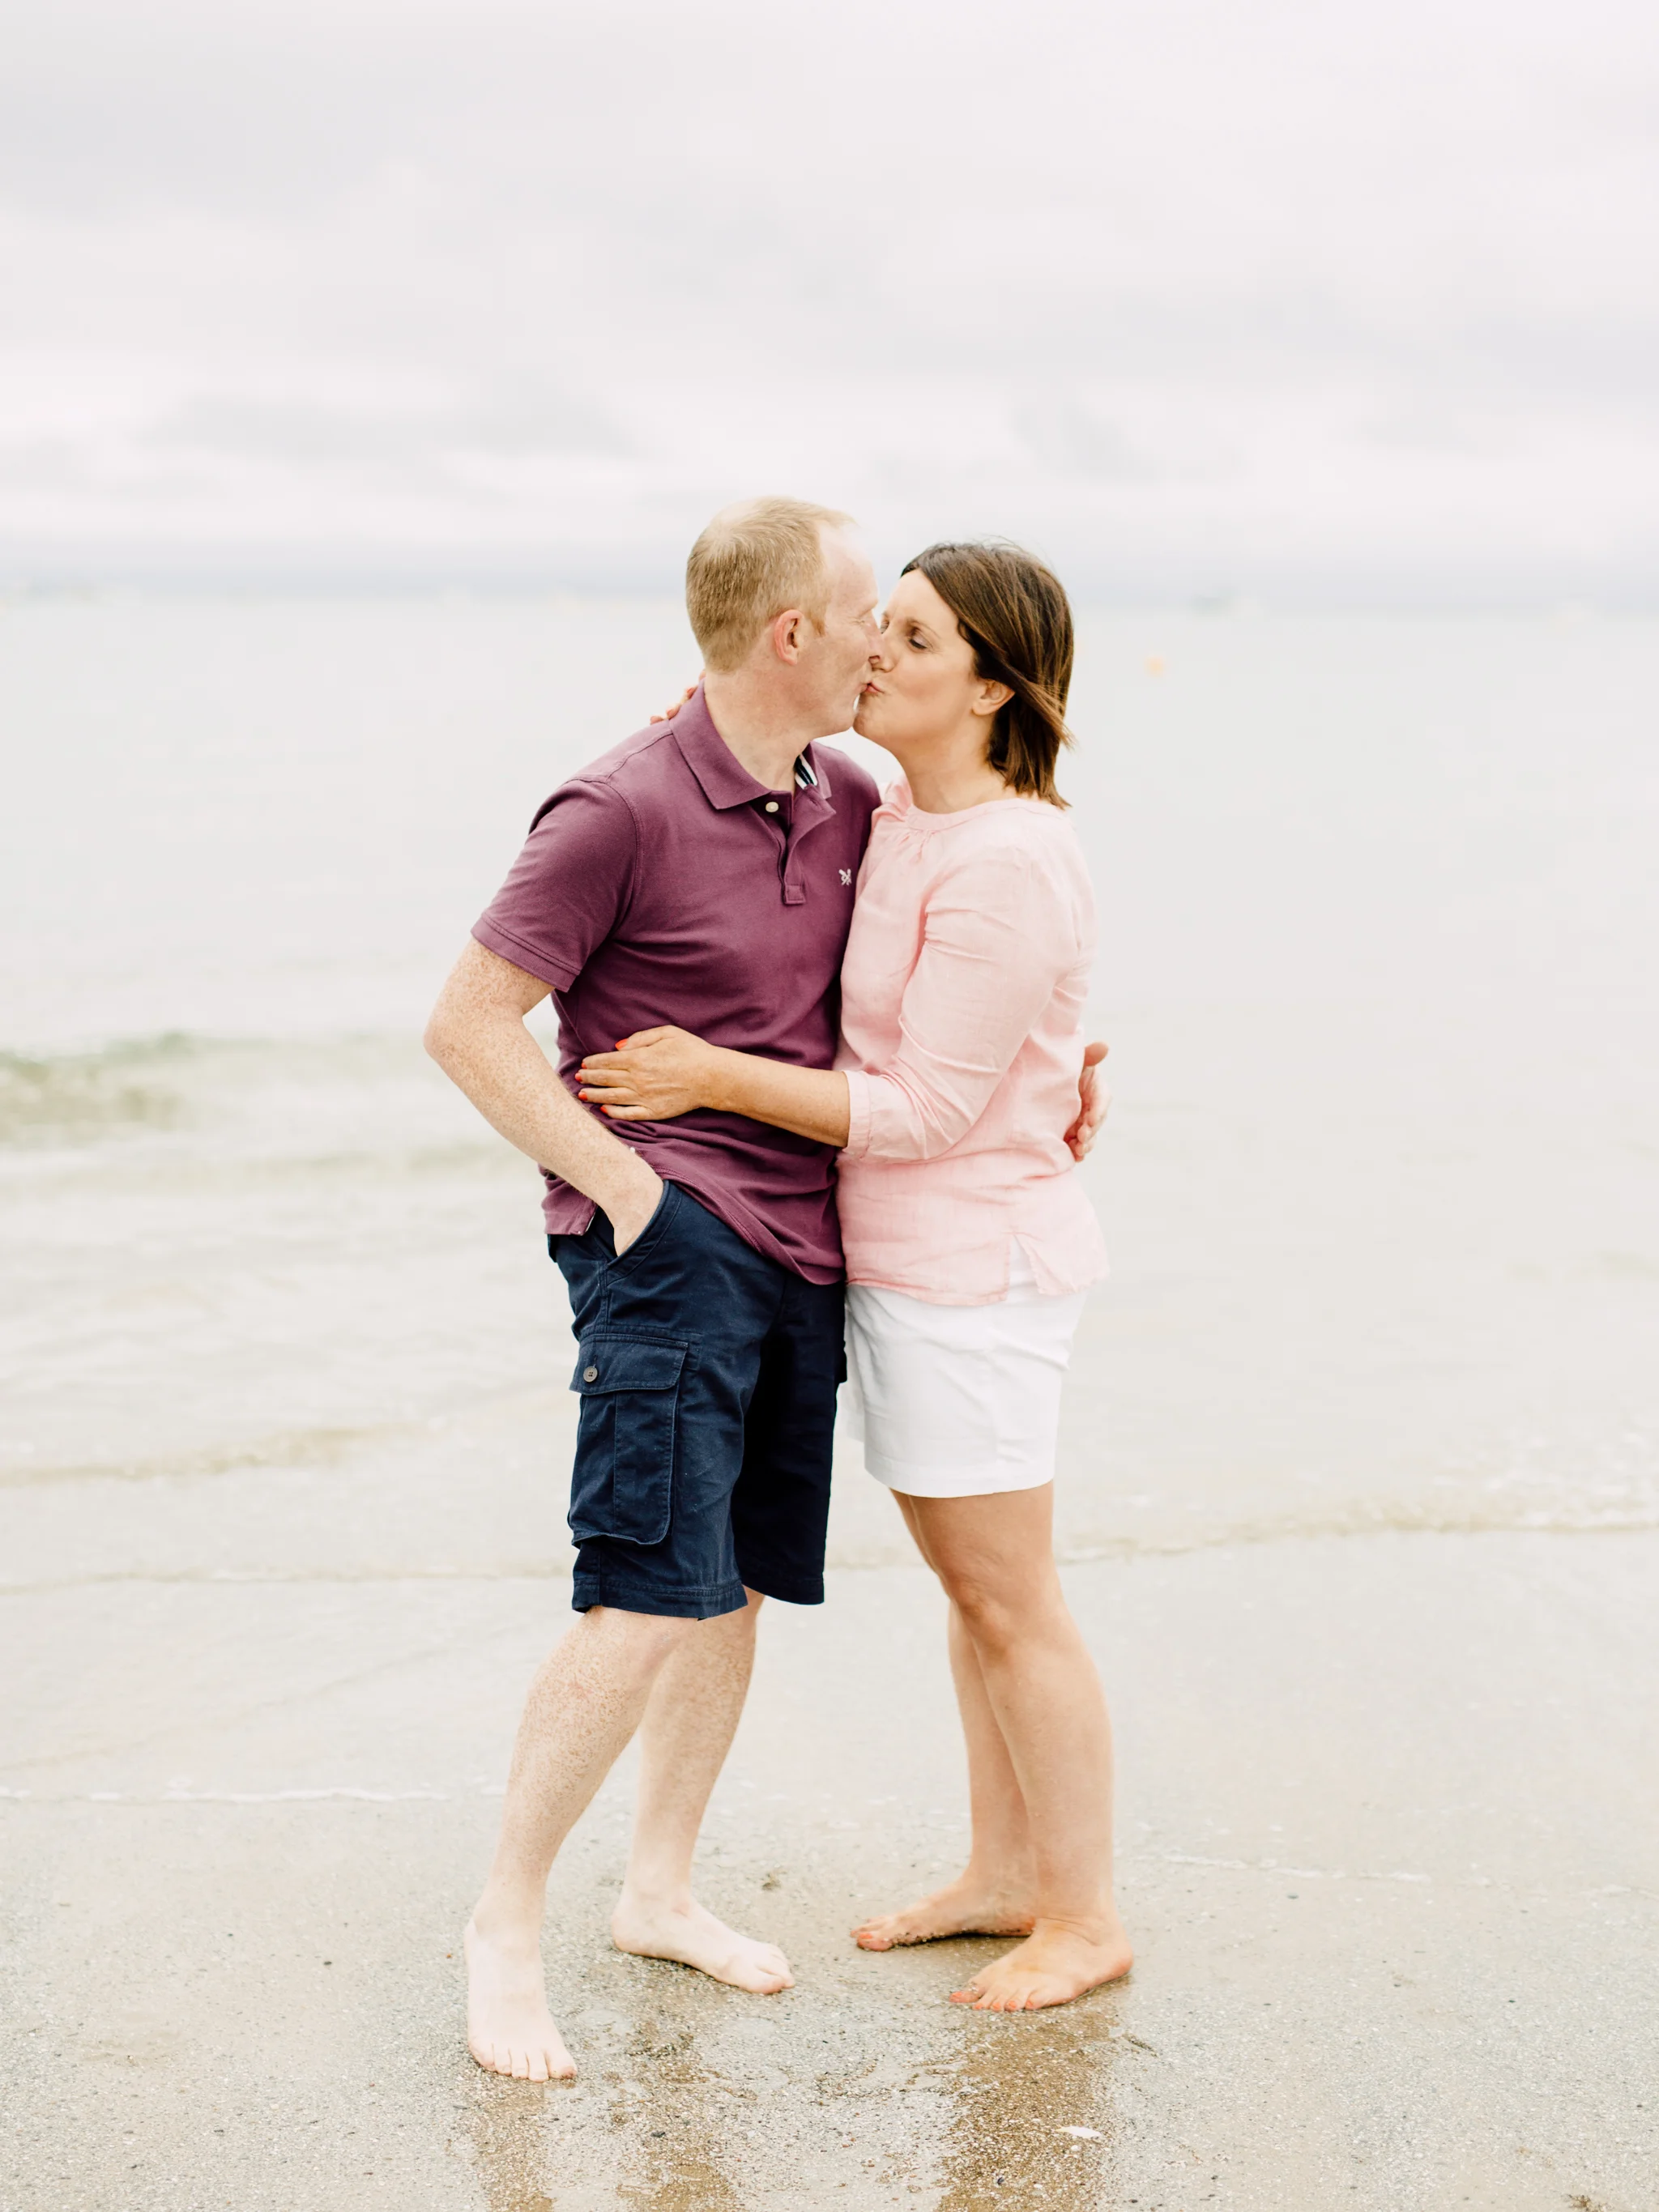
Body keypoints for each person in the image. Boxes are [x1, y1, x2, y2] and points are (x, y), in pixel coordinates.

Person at [426, 498, 1109, 2079]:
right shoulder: (610, 809)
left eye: (908, 626)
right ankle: (505, 1925)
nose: (884, 640)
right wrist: (628, 1194)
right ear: (794, 633)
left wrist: (1064, 1075)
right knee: (641, 1586)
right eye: (871, 613)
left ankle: (656, 1889)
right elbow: (466, 1026)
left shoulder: (853, 786)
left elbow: (975, 986)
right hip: (671, 1247)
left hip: (812, 1240)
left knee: (725, 1582)